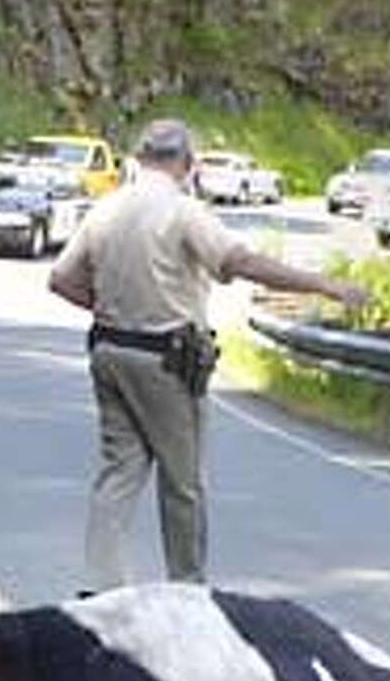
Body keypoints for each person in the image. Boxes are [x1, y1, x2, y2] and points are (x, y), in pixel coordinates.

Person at [48, 119, 370, 591]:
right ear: (187, 162)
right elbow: (239, 263)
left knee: (120, 471)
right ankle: (187, 588)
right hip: (166, 359)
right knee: (183, 482)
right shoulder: (183, 213)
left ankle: (101, 586)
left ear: (138, 158)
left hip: (110, 350)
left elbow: (61, 279)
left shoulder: (106, 210)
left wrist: (112, 307)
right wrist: (325, 285)